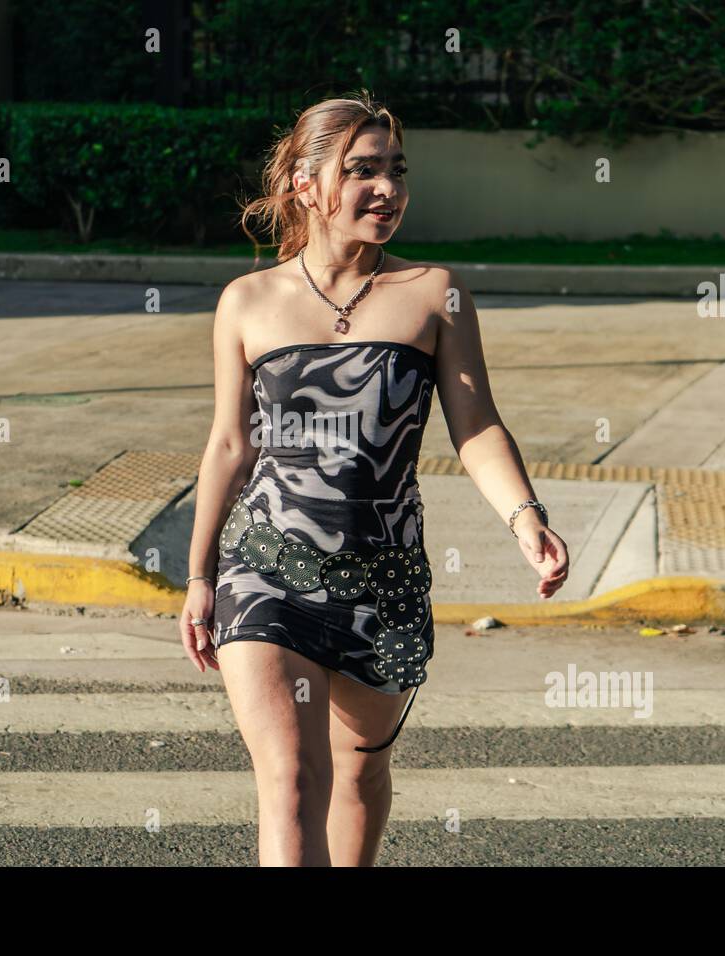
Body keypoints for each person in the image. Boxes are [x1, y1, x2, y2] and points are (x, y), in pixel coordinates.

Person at [181, 90, 569, 867]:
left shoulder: (434, 292)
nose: (387, 189)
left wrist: (525, 516)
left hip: (382, 581)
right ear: (305, 181)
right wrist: (198, 575)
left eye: (396, 170)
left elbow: (477, 425)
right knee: (291, 780)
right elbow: (230, 444)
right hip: (267, 571)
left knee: (358, 774)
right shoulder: (248, 302)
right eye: (363, 170)